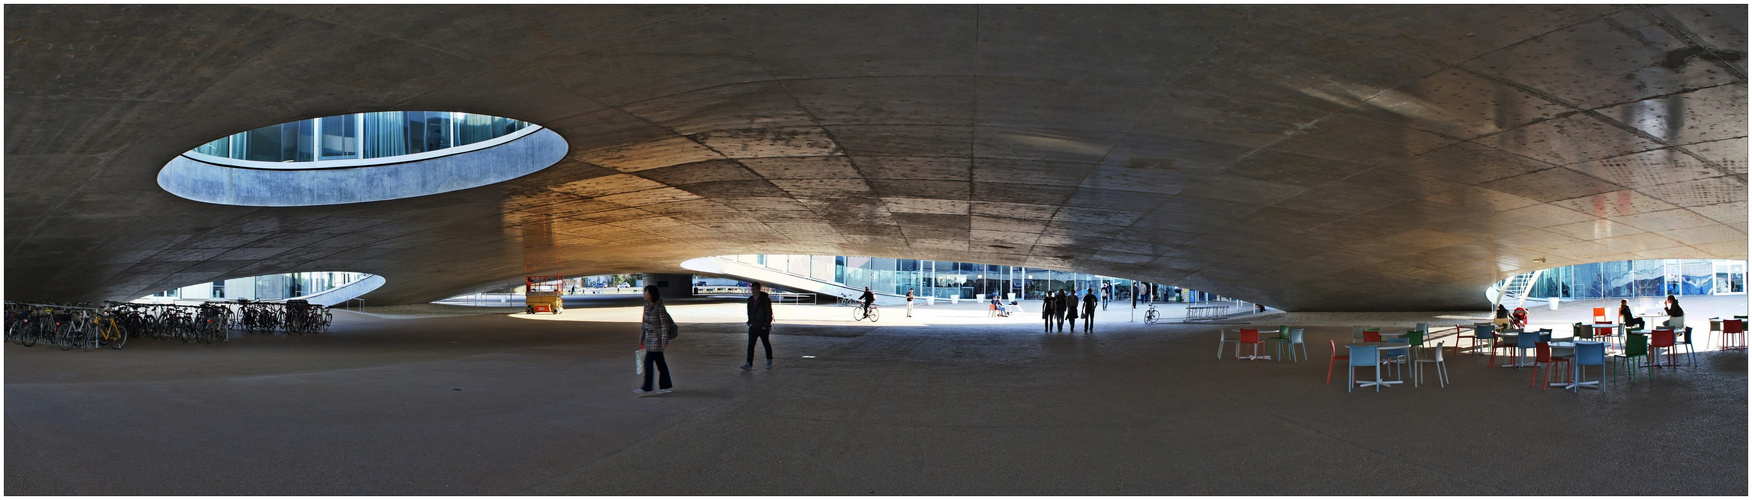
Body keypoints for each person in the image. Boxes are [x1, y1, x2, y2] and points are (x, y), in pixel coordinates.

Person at [635, 285, 676, 396]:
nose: (644, 294)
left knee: (648, 362)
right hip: (650, 339)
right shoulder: (646, 305)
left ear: (652, 294)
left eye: (646, 292)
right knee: (660, 363)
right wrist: (641, 338)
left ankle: (647, 387)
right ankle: (666, 386)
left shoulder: (660, 307)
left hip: (657, 340)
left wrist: (664, 341)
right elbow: (644, 323)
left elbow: (664, 325)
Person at [742, 281, 774, 370]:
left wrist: (766, 325)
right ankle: (748, 363)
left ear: (759, 289)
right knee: (751, 345)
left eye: (755, 289)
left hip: (762, 326)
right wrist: (750, 323)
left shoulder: (765, 299)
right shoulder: (750, 300)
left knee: (766, 343)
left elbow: (769, 313)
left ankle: (769, 359)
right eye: (752, 289)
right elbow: (749, 312)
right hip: (753, 326)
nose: (753, 291)